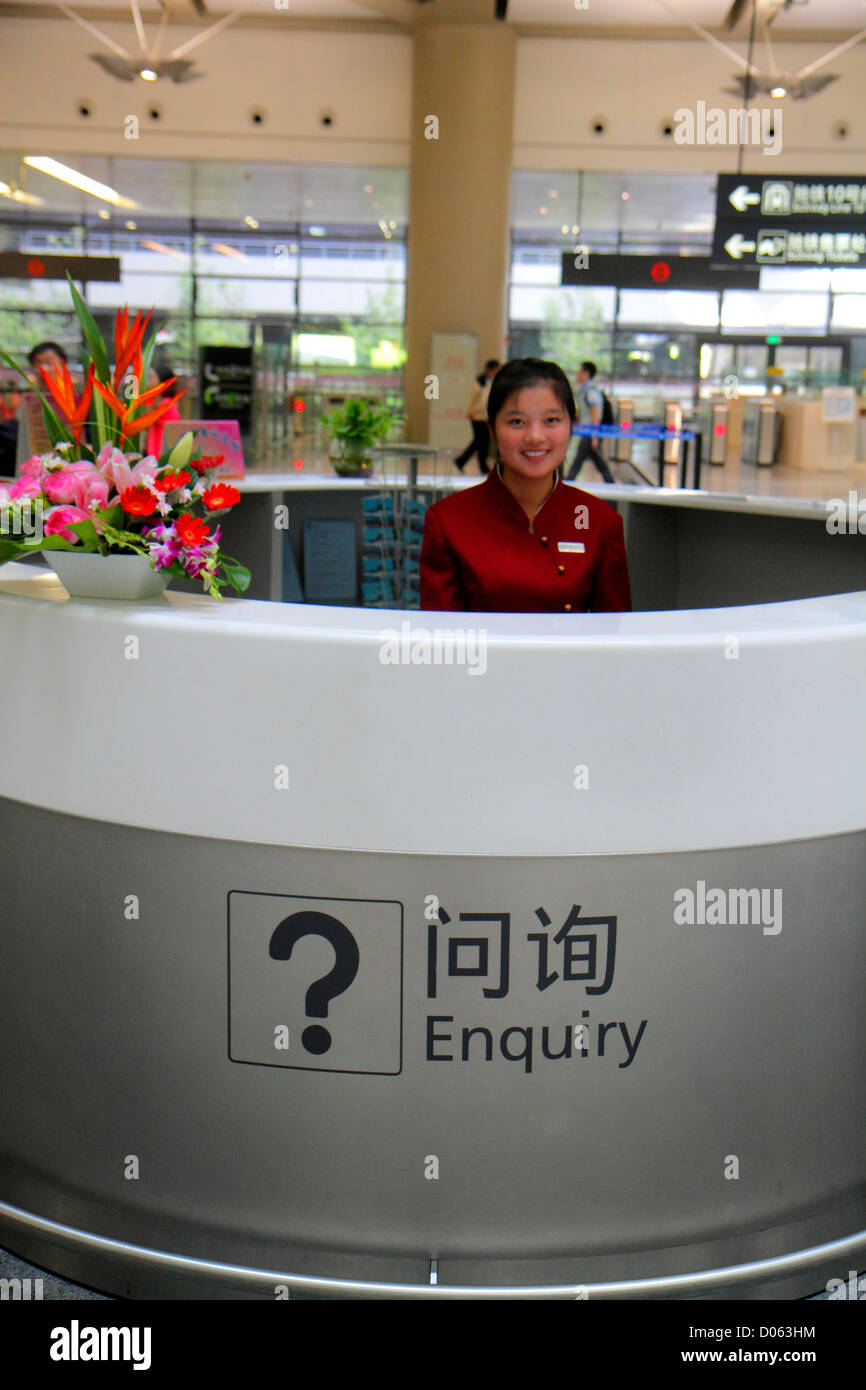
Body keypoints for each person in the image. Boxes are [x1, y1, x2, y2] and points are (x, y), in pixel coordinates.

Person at [420, 357, 631, 613]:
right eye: (517, 422)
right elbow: (443, 639)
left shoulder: (600, 522)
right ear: (492, 430)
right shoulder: (448, 521)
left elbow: (612, 639)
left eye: (551, 420)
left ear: (571, 427)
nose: (535, 436)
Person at [565, 360, 614, 484]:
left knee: (580, 459)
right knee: (596, 460)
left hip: (590, 432)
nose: (577, 374)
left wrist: (594, 436)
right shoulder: (585, 391)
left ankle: (568, 482)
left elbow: (595, 414)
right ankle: (610, 482)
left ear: (586, 373)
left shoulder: (591, 392)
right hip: (588, 432)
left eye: (580, 371)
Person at [454, 358, 501, 474]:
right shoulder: (480, 381)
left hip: (485, 416)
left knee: (481, 441)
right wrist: (471, 411)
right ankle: (474, 464)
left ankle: (467, 462)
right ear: (491, 369)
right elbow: (475, 398)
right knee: (480, 441)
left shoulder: (490, 381)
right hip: (477, 416)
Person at [144, 364, 181, 459]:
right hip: (154, 454)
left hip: (160, 455)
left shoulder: (167, 405)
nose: (147, 382)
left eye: (151, 378)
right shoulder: (156, 402)